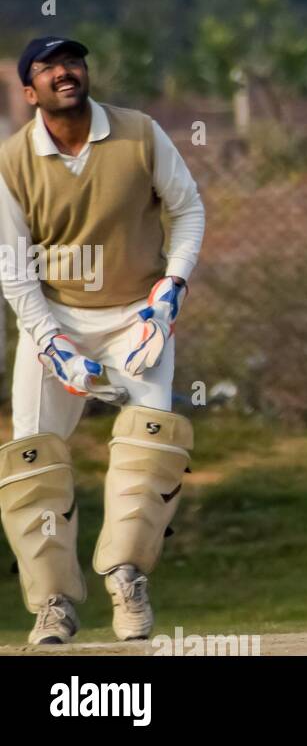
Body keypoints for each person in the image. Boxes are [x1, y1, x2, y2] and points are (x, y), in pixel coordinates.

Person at [0, 36, 205, 645]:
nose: (65, 72)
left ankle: (126, 580)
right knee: (33, 460)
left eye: (73, 62)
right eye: (48, 67)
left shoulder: (139, 133)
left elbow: (188, 209)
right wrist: (49, 341)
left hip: (137, 320)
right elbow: (13, 266)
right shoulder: (12, 161)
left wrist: (169, 295)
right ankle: (54, 604)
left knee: (149, 452)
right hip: (56, 318)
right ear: (29, 90)